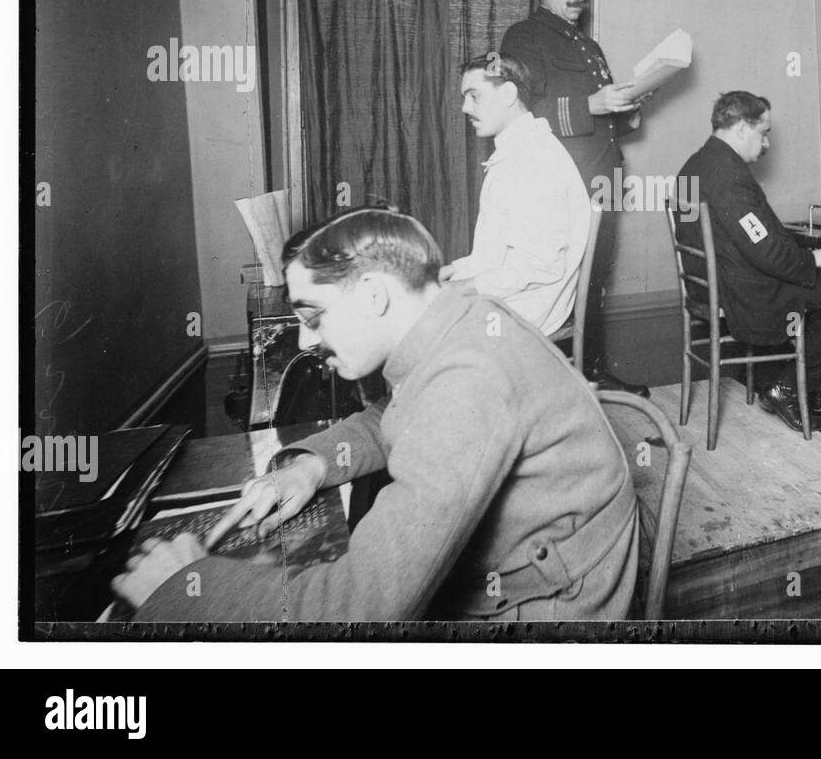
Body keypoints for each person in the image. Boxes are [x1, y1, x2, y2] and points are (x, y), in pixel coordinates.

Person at [112, 207, 639, 621]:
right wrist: (310, 465)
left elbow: (363, 609)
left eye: (312, 314)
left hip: (554, 607)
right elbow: (401, 414)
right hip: (543, 563)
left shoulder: (466, 382)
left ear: (371, 294)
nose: (305, 339)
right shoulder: (455, 321)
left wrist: (186, 587)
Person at [501, 0, 649, 397]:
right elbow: (521, 109)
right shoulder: (525, 36)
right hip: (561, 184)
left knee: (596, 274)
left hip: (604, 179)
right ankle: (549, 383)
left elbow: (607, 118)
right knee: (555, 278)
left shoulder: (589, 46)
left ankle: (593, 369)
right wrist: (592, 105)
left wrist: (629, 109)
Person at [675, 91, 821, 434]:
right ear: (742, 128)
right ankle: (786, 390)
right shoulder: (728, 175)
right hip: (741, 293)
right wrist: (814, 259)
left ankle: (784, 386)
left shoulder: (695, 165)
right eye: (764, 133)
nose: (767, 144)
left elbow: (747, 237)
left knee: (815, 290)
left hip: (708, 287)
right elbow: (765, 250)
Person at [440, 52, 592, 336]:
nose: (464, 107)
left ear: (508, 93)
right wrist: (453, 270)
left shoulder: (534, 159)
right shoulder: (520, 148)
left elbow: (539, 266)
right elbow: (498, 253)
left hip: (528, 312)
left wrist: (458, 288)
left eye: (474, 96)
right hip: (515, 297)